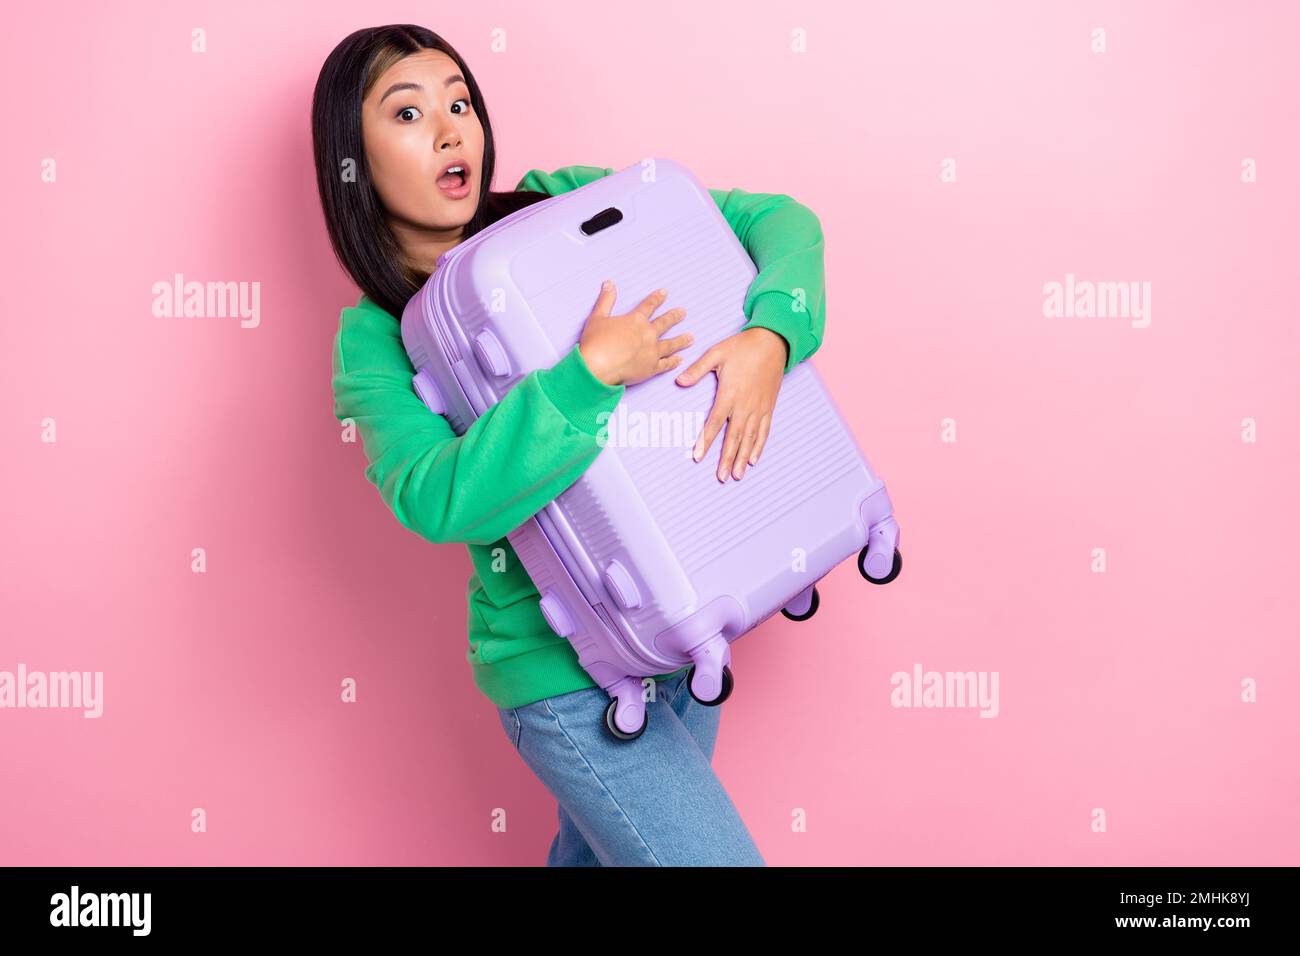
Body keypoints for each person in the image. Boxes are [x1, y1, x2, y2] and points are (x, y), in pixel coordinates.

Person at [313, 24, 825, 866]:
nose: (450, 130)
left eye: (460, 102)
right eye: (407, 114)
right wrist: (586, 376)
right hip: (566, 675)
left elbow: (777, 220)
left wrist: (773, 336)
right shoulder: (374, 337)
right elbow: (438, 498)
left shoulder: (562, 204)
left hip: (687, 619)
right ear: (351, 161)